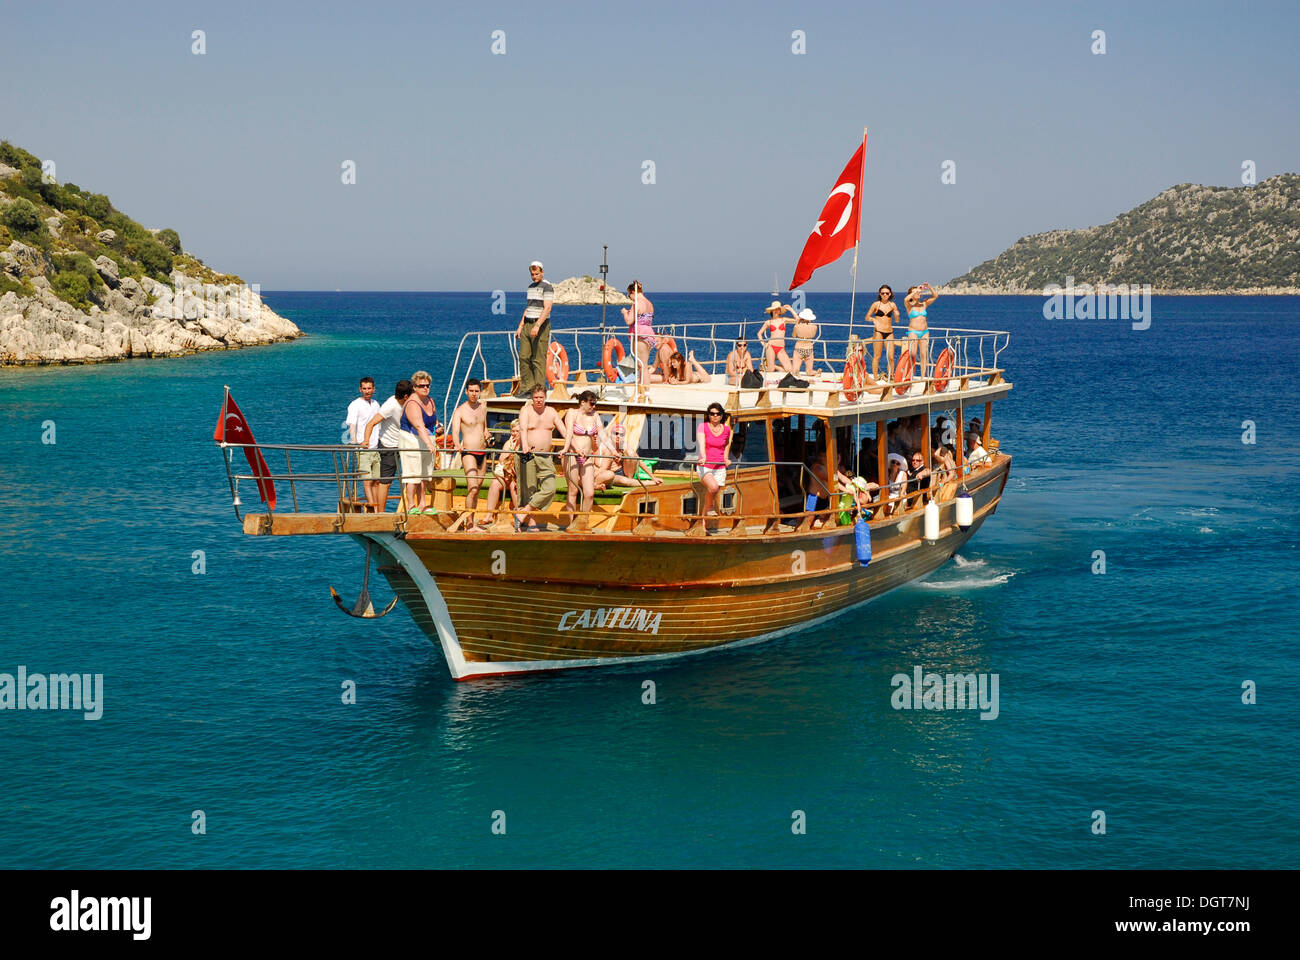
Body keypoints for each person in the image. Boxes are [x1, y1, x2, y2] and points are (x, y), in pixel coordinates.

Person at [517, 385, 568, 531]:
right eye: (536, 398)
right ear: (532, 398)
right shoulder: (526, 410)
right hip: (528, 454)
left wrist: (573, 447)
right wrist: (525, 445)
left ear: (545, 397)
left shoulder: (551, 412)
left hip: (546, 456)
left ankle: (523, 513)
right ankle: (531, 523)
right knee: (530, 489)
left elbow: (564, 431)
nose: (539, 400)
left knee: (550, 488)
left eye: (541, 397)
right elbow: (523, 429)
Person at [362, 379, 413, 513]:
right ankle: (381, 514)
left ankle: (411, 508)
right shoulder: (390, 405)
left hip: (405, 443)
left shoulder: (409, 404)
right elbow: (370, 424)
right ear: (406, 396)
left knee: (411, 477)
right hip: (389, 446)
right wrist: (366, 440)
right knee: (386, 482)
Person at [559, 390, 608, 529]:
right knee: (573, 490)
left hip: (588, 457)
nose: (594, 406)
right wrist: (566, 449)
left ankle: (583, 522)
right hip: (573, 456)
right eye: (591, 403)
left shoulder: (595, 415)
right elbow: (568, 434)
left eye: (595, 403)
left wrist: (614, 451)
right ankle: (572, 523)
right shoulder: (572, 413)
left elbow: (603, 435)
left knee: (589, 493)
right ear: (582, 402)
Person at [398, 370, 442, 514]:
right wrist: (429, 444)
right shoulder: (412, 403)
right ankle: (411, 505)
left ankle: (422, 504)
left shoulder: (430, 400)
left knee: (424, 473)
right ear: (414, 387)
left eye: (427, 385)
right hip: (411, 440)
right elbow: (418, 425)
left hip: (427, 439)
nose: (425, 388)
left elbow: (433, 421)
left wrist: (437, 430)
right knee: (413, 474)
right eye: (421, 385)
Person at [450, 378, 491, 530]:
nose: (474, 394)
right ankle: (468, 524)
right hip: (468, 452)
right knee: (472, 487)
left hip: (483, 451)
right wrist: (456, 444)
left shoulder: (483, 407)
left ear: (480, 392)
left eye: (476, 391)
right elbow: (455, 431)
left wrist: (487, 433)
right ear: (466, 392)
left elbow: (484, 427)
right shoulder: (460, 411)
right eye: (471, 391)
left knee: (478, 488)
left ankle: (471, 520)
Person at [515, 260, 553, 396]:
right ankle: (527, 388)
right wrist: (520, 326)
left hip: (540, 325)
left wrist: (537, 325)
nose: (534, 276)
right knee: (524, 357)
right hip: (528, 323)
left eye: (536, 274)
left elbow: (547, 307)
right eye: (532, 274)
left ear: (542, 272)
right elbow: (528, 308)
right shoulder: (530, 287)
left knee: (538, 358)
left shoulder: (547, 287)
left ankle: (539, 390)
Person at [345, 376, 383, 512]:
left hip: (375, 447)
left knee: (377, 481)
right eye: (364, 388)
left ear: (374, 389)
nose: (367, 391)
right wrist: (355, 442)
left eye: (369, 388)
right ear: (360, 389)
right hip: (363, 448)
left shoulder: (376, 404)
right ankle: (373, 510)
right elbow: (352, 424)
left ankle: (379, 510)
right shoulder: (355, 405)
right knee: (367, 481)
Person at [593, 423, 662, 489]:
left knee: (631, 453)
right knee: (622, 480)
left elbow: (639, 460)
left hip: (623, 471)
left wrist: (653, 477)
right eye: (616, 433)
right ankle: (647, 483)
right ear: (611, 434)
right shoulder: (604, 446)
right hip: (609, 473)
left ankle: (631, 480)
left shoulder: (624, 445)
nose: (618, 436)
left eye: (621, 434)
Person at [484, 419, 522, 530]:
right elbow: (501, 459)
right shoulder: (508, 443)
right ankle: (489, 515)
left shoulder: (525, 443)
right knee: (495, 483)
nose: (514, 433)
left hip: (519, 476)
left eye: (517, 431)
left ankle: (519, 517)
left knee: (513, 485)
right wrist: (510, 452)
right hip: (507, 473)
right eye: (513, 431)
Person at [696, 402, 731, 516]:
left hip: (720, 466)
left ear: (721, 415)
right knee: (713, 487)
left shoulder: (726, 430)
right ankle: (710, 508)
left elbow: (726, 445)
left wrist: (726, 458)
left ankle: (702, 525)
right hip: (705, 465)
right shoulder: (703, 426)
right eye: (712, 413)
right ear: (708, 415)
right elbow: (701, 443)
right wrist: (703, 456)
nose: (715, 416)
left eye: (717, 413)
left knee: (711, 494)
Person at [620, 280, 656, 386]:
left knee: (642, 365)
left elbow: (629, 321)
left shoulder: (637, 303)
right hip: (648, 333)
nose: (629, 298)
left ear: (632, 292)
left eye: (628, 295)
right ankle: (644, 391)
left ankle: (644, 391)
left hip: (640, 334)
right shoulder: (649, 303)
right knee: (644, 364)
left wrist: (625, 313)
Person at [903, 282, 939, 378]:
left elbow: (935, 296)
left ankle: (923, 376)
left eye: (919, 292)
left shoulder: (924, 304)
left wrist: (928, 287)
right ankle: (909, 375)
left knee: (924, 355)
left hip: (924, 332)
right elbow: (906, 299)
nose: (918, 293)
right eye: (915, 292)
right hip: (913, 331)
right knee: (912, 354)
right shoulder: (909, 305)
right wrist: (915, 291)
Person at [866, 285, 900, 379]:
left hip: (889, 332)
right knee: (877, 356)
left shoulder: (892, 305)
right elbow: (867, 317)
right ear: (880, 294)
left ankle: (891, 376)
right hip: (878, 332)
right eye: (883, 293)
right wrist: (873, 320)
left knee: (891, 357)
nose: (885, 295)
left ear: (890, 294)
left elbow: (897, 321)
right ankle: (876, 377)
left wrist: (897, 315)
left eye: (887, 293)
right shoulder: (876, 304)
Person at [757, 300, 794, 374]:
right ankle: (769, 366)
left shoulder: (784, 320)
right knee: (771, 370)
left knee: (790, 370)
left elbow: (798, 320)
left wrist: (791, 309)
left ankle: (765, 365)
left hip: (781, 348)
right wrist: (764, 344)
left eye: (778, 309)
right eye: (775, 309)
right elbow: (759, 333)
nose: (776, 311)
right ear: (772, 311)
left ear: (780, 311)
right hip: (771, 346)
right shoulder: (768, 322)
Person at [790, 308, 820, 378]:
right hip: (809, 348)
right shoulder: (815, 327)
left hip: (799, 348)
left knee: (794, 371)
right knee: (809, 371)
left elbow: (793, 336)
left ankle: (797, 372)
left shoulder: (797, 326)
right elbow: (813, 335)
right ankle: (815, 372)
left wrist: (797, 323)